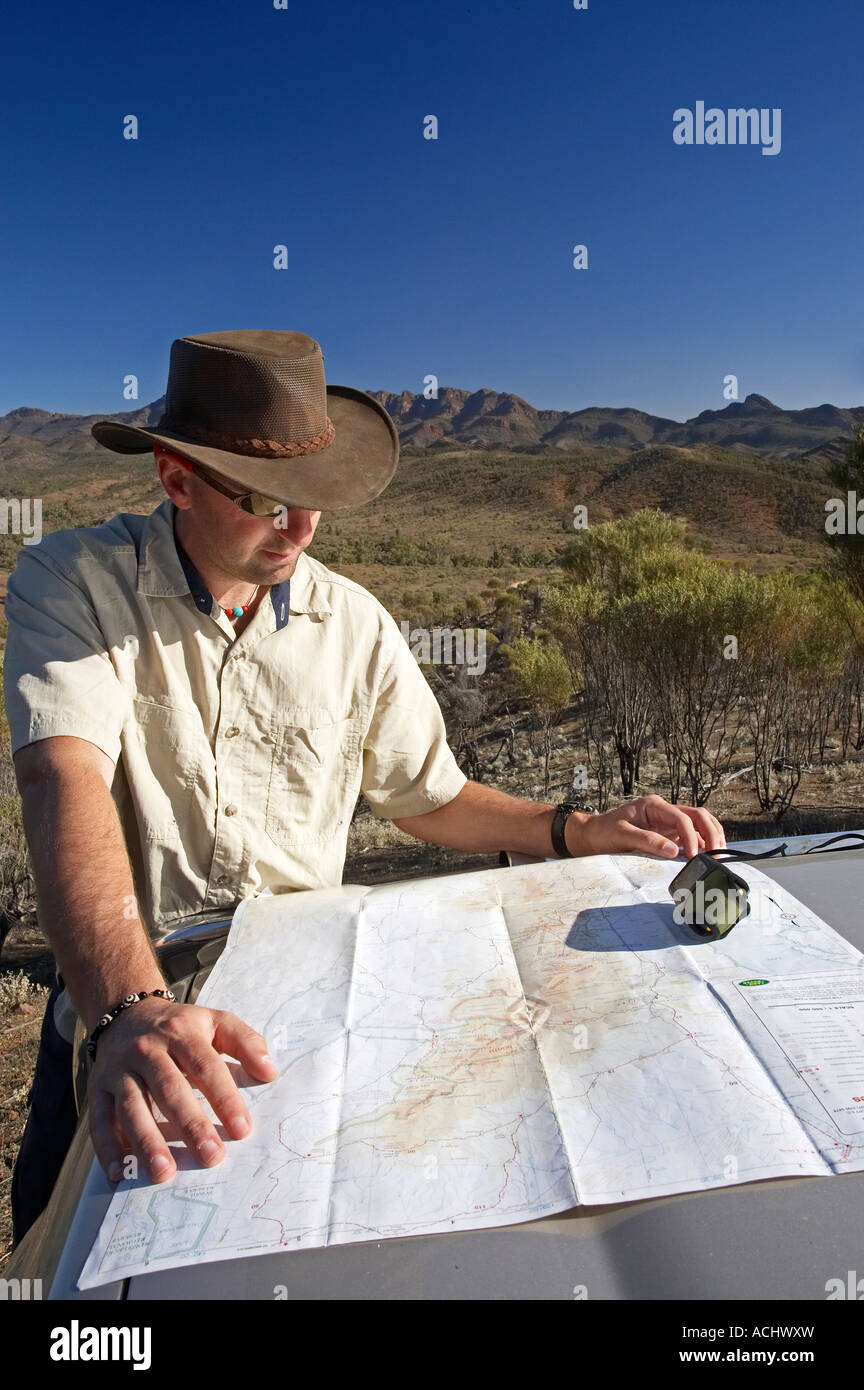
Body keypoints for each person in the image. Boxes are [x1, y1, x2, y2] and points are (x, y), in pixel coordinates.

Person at [3, 329, 726, 1245]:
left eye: (314, 500)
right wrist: (128, 1010)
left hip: (301, 1031)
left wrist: (575, 827)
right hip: (120, 1025)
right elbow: (61, 776)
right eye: (268, 499)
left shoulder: (357, 624)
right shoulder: (71, 583)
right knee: (67, 1286)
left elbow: (428, 796)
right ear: (175, 477)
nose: (299, 531)